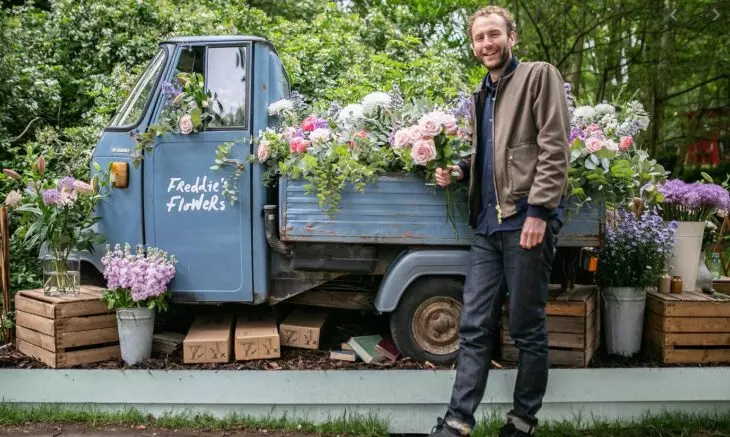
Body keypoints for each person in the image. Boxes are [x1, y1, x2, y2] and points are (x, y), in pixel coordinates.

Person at [429, 5, 570, 437]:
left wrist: (541, 212)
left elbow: (554, 147)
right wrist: (459, 171)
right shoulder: (483, 93)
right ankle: (457, 422)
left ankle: (522, 421)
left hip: (526, 222)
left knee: (526, 327)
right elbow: (496, 155)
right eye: (478, 38)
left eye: (494, 34)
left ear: (512, 37)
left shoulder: (538, 76)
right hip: (488, 228)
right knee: (473, 325)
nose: (486, 44)